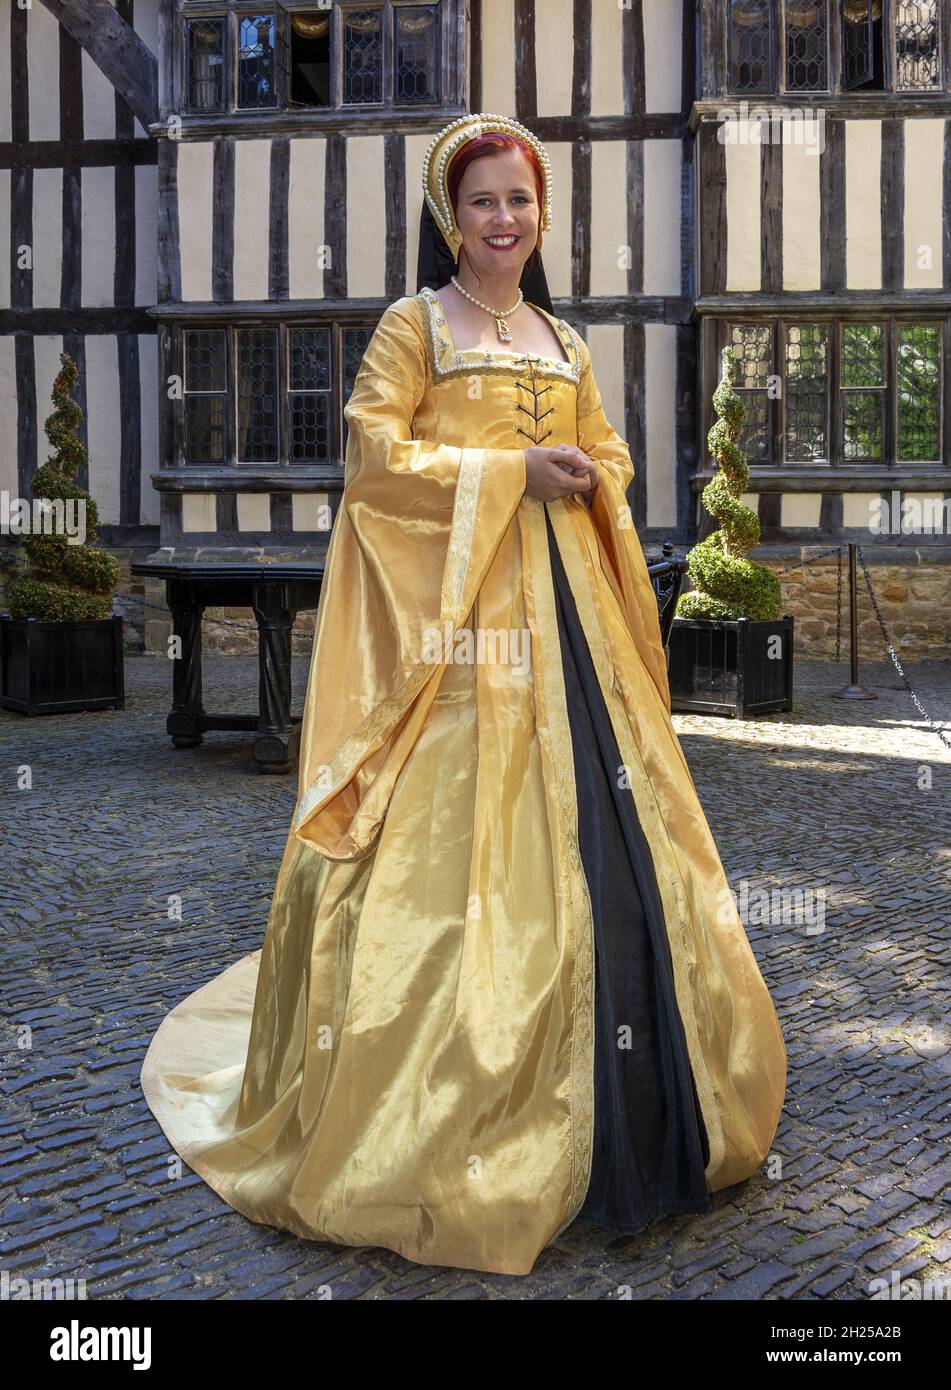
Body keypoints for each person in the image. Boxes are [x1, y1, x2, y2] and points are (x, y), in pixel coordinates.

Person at [140, 112, 787, 1278]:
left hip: (574, 624)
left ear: (542, 216)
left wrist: (591, 473)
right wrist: (505, 471)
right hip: (463, 630)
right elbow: (375, 459)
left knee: (624, 852)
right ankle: (457, 1118)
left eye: (521, 201)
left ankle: (634, 1115)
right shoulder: (414, 327)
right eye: (484, 200)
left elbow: (608, 453)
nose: (504, 219)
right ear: (452, 216)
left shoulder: (561, 336)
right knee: (456, 851)